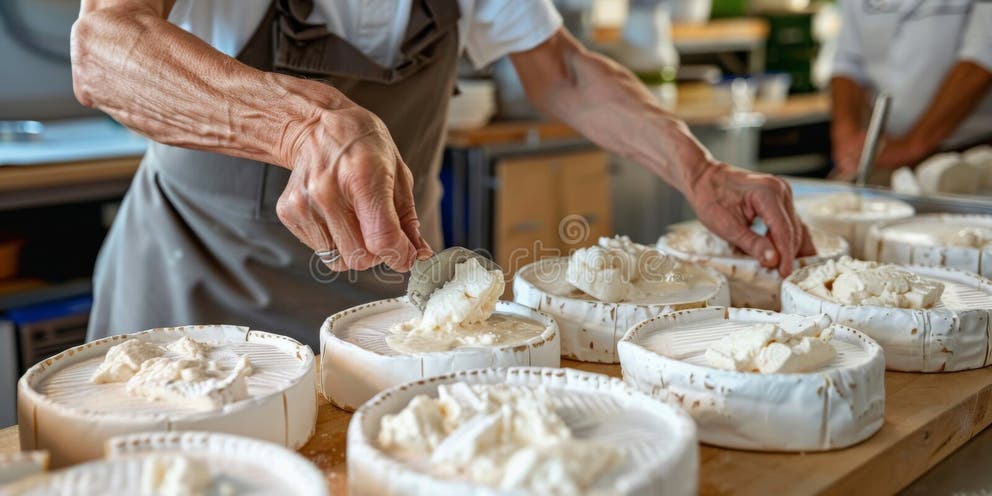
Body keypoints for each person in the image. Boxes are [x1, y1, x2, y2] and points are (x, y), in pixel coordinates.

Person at [74, 0, 813, 348]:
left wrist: (699, 168)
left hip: (386, 308)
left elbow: (562, 73)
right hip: (195, 288)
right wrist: (301, 125)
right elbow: (103, 46)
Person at [830, 0, 992, 180]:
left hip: (973, 154)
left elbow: (983, 54)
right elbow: (847, 62)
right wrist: (845, 135)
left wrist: (913, 145)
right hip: (886, 152)